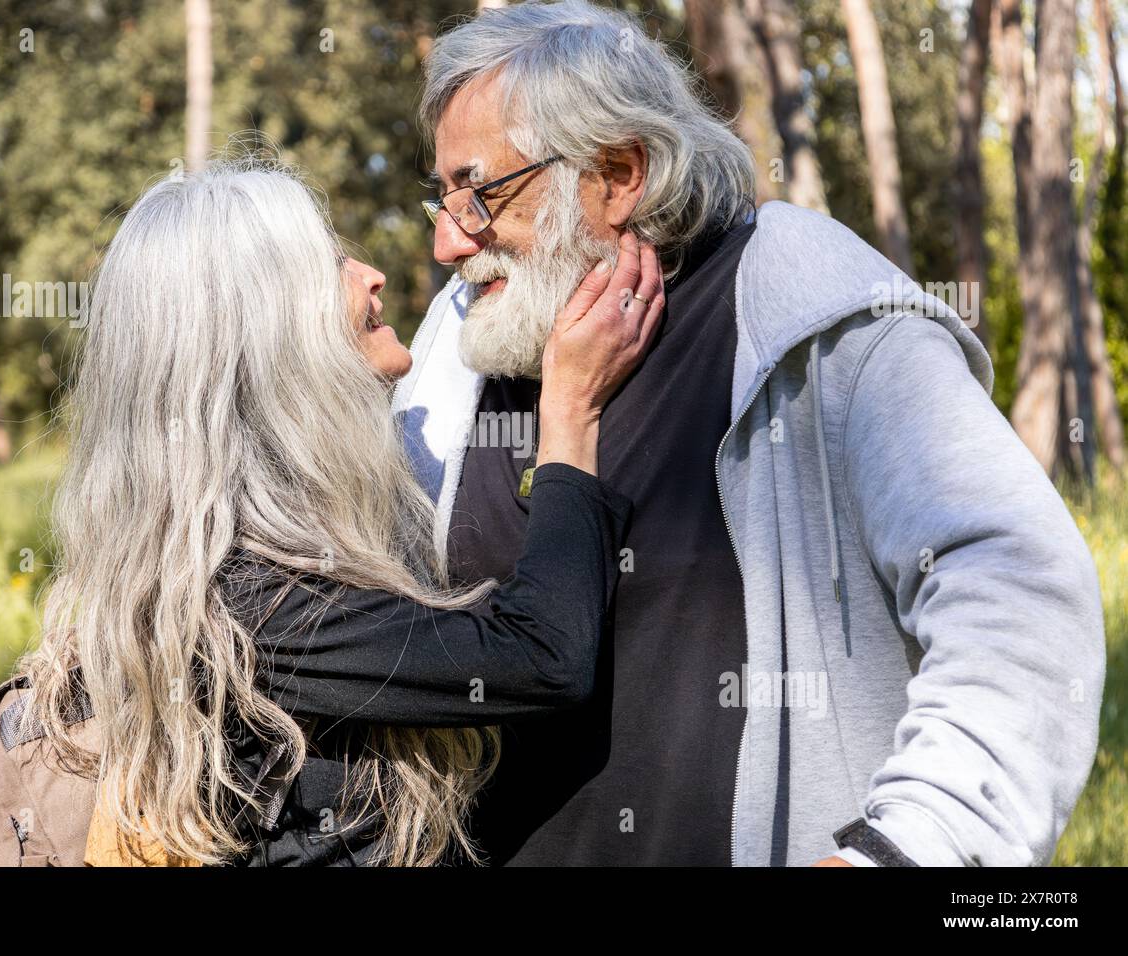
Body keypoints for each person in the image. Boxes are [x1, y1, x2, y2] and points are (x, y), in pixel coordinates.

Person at [395, 0, 1106, 866]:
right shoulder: (460, 339)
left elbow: (1015, 585)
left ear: (619, 173)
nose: (445, 241)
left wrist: (910, 846)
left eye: (481, 191)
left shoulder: (810, 307)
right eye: (442, 195)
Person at [0, 156, 663, 867]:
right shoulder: (261, 603)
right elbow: (543, 658)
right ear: (265, 338)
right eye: (330, 267)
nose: (373, 276)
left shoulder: (239, 560)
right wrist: (571, 411)